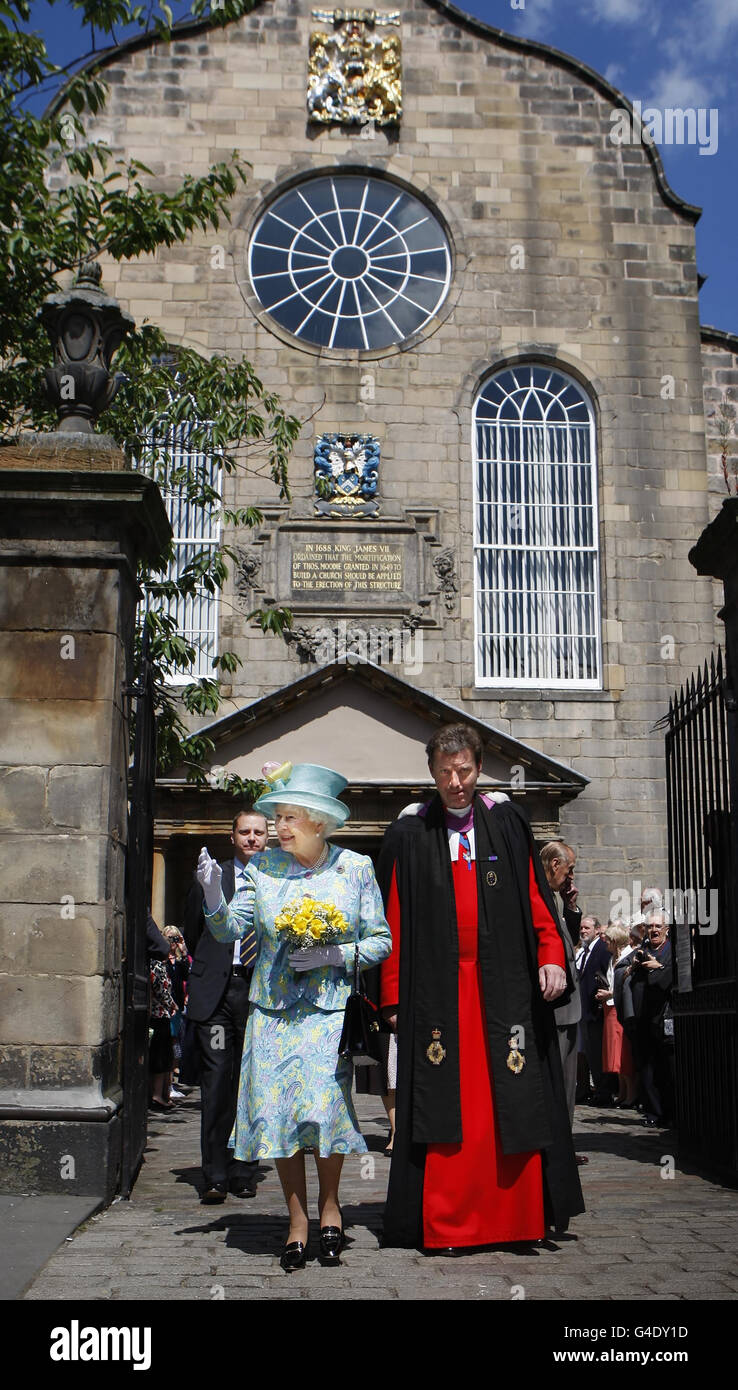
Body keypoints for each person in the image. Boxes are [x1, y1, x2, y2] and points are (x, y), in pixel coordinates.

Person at [377, 723, 584, 1252]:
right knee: (448, 1105)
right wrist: (394, 996)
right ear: (431, 773)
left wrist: (552, 957)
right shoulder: (410, 832)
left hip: (506, 990)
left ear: (478, 767)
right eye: (445, 772)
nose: (455, 781)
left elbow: (538, 903)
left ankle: (516, 1220)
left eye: (464, 770)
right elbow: (393, 920)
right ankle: (448, 1225)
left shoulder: (508, 822)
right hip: (438, 995)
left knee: (510, 1100)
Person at [195, 762, 392, 1271]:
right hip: (272, 1013)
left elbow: (381, 940)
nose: (278, 828)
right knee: (280, 1119)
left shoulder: (355, 868)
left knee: (323, 1115)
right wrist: (214, 893)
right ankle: (297, 1220)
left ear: (319, 822)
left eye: (288, 818)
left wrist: (334, 955)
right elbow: (226, 931)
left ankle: (331, 1211)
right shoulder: (263, 869)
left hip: (327, 1016)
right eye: (276, 817)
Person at [184, 808, 269, 1204]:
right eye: (244, 832)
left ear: (267, 837)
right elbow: (192, 928)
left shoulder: (277, 878)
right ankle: (215, 1174)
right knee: (217, 1081)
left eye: (258, 832)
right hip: (218, 992)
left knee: (250, 1084)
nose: (251, 838)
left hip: (259, 992)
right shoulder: (213, 876)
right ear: (233, 836)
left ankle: (244, 1171)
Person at [540, 842, 583, 1134]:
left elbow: (569, 941)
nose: (570, 878)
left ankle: (564, 1143)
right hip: (555, 1006)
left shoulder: (556, 899)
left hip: (569, 1008)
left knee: (569, 1082)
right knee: (556, 1081)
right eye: (569, 870)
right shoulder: (540, 898)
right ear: (555, 865)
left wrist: (571, 907)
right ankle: (558, 1145)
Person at [624, 911, 674, 1127]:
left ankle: (672, 1114)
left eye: (658, 926)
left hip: (664, 1017)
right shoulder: (640, 951)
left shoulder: (672, 951)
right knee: (647, 1068)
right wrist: (631, 968)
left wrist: (659, 968)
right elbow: (622, 973)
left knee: (667, 1069)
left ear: (667, 930)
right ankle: (654, 1112)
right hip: (642, 1018)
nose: (654, 930)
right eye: (650, 926)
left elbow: (677, 976)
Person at [595, 922, 637, 1108]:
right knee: (615, 1053)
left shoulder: (629, 956)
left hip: (620, 1008)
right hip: (609, 1009)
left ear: (615, 941)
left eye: (608, 942)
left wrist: (609, 993)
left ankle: (631, 1093)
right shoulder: (614, 958)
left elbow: (627, 985)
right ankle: (622, 1091)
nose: (606, 946)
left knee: (623, 1051)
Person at [576, 914, 612, 1105]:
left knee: (598, 1054)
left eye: (587, 928)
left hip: (596, 1010)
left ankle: (603, 1092)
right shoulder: (585, 950)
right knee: (590, 1053)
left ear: (597, 930)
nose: (583, 931)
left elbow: (607, 973)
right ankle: (597, 1090)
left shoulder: (602, 949)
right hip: (585, 1010)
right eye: (581, 928)